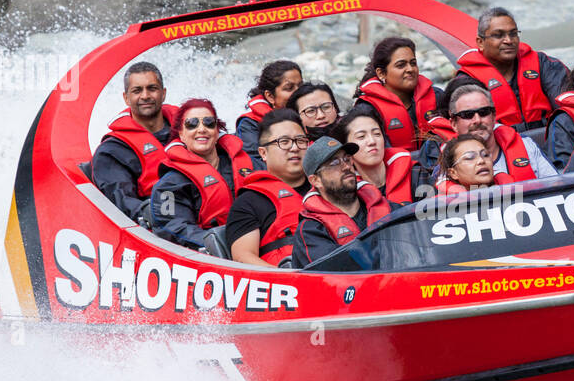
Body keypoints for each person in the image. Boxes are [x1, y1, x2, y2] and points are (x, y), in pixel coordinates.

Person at [151, 98, 257, 251]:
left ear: (216, 130)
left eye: (209, 123)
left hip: (259, 244)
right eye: (191, 124)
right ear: (181, 134)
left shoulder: (249, 165)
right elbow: (174, 228)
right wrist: (221, 244)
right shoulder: (169, 185)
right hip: (212, 257)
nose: (202, 129)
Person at [452, 7, 569, 143]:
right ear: (480, 42)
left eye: (513, 34)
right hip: (498, 148)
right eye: (498, 35)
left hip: (552, 141)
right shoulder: (467, 80)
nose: (508, 40)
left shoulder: (544, 64)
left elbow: (567, 109)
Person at [91, 61, 179, 224]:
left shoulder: (192, 130)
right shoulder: (111, 151)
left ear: (163, 93)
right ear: (126, 98)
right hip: (160, 228)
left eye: (152, 88)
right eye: (137, 91)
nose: (145, 96)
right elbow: (123, 203)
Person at [225, 109, 312, 267]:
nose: (294, 148)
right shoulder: (247, 203)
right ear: (263, 153)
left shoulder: (326, 187)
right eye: (284, 142)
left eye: (300, 140)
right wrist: (292, 279)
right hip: (289, 284)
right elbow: (242, 257)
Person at [291, 137, 393, 268]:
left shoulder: (387, 206)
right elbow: (334, 271)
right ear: (316, 180)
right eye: (334, 163)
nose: (346, 167)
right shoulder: (310, 230)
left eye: (347, 159)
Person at [437, 81, 558, 185]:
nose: (477, 120)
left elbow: (556, 187)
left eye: (484, 112)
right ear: (453, 123)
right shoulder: (446, 163)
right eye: (467, 115)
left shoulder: (526, 145)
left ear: (494, 117)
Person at [353, 36, 447, 152]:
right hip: (394, 168)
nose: (410, 69)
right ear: (381, 73)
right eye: (401, 65)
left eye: (413, 63)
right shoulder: (367, 109)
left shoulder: (437, 96)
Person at [333, 105, 415, 205]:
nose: (372, 141)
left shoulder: (414, 172)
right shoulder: (347, 192)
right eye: (361, 137)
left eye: (377, 134)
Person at [236, 60, 303, 158]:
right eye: (289, 88)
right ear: (270, 96)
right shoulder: (250, 125)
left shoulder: (313, 114)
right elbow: (255, 161)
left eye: (301, 86)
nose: (299, 92)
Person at [435, 136, 501, 194]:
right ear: (453, 173)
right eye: (470, 157)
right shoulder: (439, 206)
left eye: (485, 155)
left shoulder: (509, 188)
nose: (481, 161)